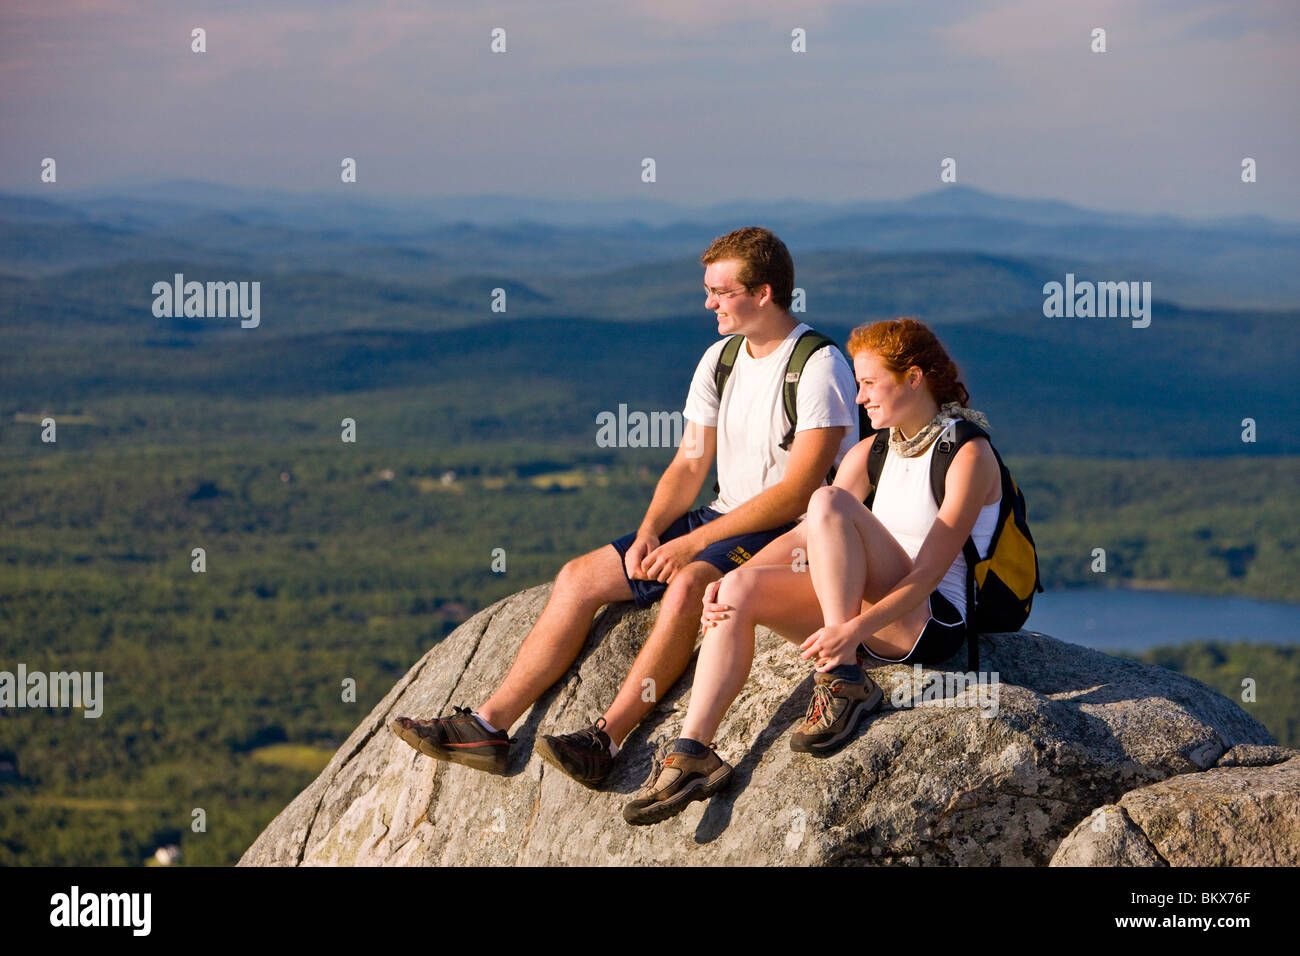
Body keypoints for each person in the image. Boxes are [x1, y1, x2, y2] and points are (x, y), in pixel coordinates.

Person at [391, 227, 860, 787]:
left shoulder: (819, 365)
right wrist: (651, 530)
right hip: (722, 515)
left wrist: (687, 546)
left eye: (721, 291)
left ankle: (605, 740)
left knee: (687, 585)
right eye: (707, 290)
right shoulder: (721, 359)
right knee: (578, 577)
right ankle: (488, 726)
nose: (708, 302)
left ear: (763, 293)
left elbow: (799, 489)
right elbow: (690, 462)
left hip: (790, 530)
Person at [623, 317, 1002, 825]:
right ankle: (693, 751)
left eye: (869, 383)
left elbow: (928, 574)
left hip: (927, 621)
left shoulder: (968, 453)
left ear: (914, 378)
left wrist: (850, 632)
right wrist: (727, 581)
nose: (860, 396)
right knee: (737, 589)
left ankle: (842, 679)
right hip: (863, 621)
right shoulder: (875, 450)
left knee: (825, 498)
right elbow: (808, 535)